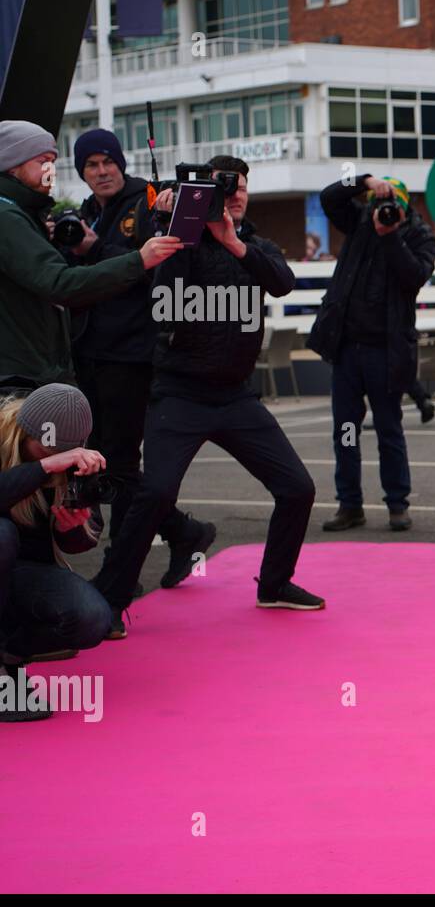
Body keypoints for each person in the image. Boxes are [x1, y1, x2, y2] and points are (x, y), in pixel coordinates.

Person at [94, 155, 323, 632]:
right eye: (225, 187)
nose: (234, 194)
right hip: (179, 394)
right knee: (154, 492)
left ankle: (275, 585)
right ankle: (109, 602)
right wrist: (173, 223)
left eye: (240, 186)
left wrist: (235, 244)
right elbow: (167, 304)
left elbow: (282, 283)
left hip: (236, 396)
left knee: (297, 488)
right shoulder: (183, 243)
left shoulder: (256, 246)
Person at [64, 129, 217, 606]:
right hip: (93, 354)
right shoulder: (88, 212)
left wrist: (93, 250)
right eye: (90, 165)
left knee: (124, 464)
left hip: (134, 356)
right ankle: (183, 531)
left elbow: (156, 264)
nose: (101, 171)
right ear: (81, 173)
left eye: (107, 162)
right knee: (111, 462)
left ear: (122, 163)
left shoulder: (147, 202)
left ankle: (121, 573)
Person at [0, 120, 182, 389]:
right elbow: (59, 282)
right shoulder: (10, 216)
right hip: (31, 372)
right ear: (12, 166)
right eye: (43, 162)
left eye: (108, 162)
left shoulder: (146, 201)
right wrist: (137, 259)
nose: (51, 172)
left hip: (128, 356)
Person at [309, 176, 435, 533]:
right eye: (378, 202)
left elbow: (414, 278)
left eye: (391, 204)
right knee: (346, 430)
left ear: (405, 206)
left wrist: (391, 236)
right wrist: (363, 180)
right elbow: (329, 196)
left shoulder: (419, 235)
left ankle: (397, 504)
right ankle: (349, 505)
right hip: (347, 347)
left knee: (388, 429)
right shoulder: (359, 221)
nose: (382, 211)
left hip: (386, 348)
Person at [1, 385, 113, 721]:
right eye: (44, 449)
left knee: (92, 618)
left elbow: (83, 542)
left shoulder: (76, 460)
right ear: (24, 431)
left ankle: (9, 659)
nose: (55, 458)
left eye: (66, 451)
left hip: (24, 574)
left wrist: (71, 530)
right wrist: (45, 467)